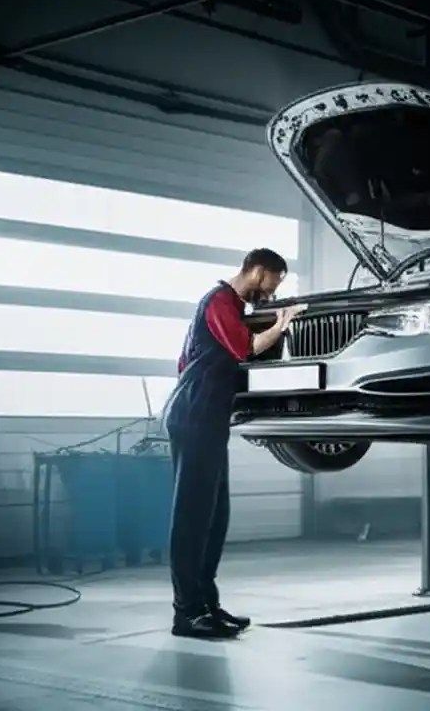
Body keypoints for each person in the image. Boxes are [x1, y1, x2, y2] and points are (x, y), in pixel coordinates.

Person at [163, 248, 304, 639]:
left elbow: (186, 360)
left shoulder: (228, 306)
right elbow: (244, 348)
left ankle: (207, 604)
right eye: (273, 281)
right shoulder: (219, 301)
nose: (273, 292)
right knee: (192, 517)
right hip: (193, 415)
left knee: (214, 516)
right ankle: (186, 613)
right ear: (257, 270)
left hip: (208, 418)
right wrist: (282, 324)